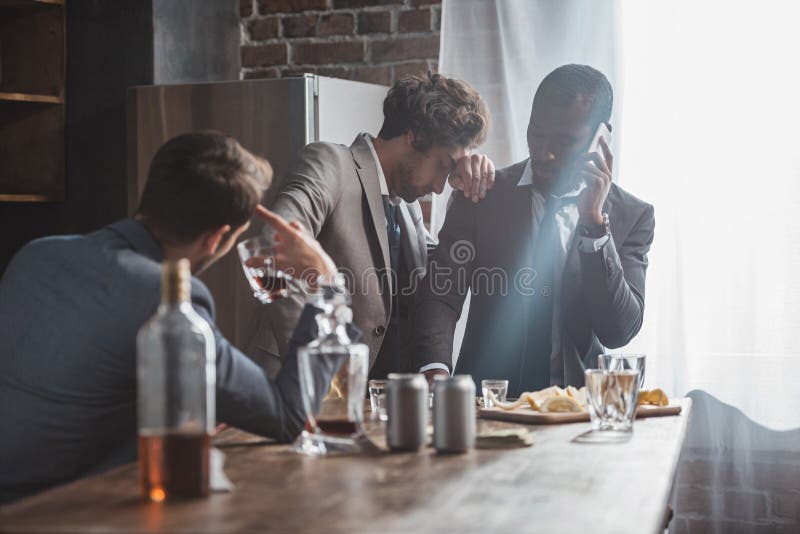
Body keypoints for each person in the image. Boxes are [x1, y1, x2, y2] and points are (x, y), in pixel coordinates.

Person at [0, 132, 343, 504]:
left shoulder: (36, 254)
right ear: (216, 240)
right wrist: (325, 281)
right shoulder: (165, 297)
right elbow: (288, 417)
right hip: (62, 514)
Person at [412, 64, 655, 396]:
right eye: (536, 134)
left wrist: (594, 225)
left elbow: (618, 331)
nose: (543, 152)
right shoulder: (482, 195)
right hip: (489, 405)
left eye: (564, 141)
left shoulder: (632, 216)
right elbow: (441, 293)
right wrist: (435, 369)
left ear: (601, 137)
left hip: (579, 412)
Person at [249, 72, 494, 380]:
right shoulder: (331, 164)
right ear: (413, 135)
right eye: (444, 165)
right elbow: (274, 251)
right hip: (298, 393)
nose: (439, 187)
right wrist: (319, 366)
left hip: (373, 408)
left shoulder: (408, 208)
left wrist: (468, 189)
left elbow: (441, 273)